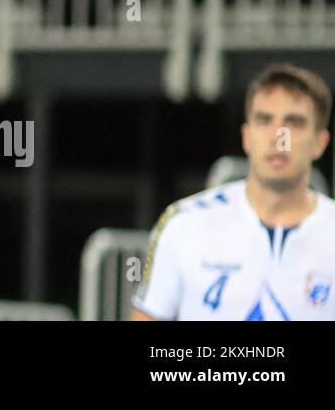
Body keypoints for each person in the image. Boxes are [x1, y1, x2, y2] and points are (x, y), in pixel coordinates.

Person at [132, 63, 335, 321]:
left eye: (294, 123)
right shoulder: (182, 223)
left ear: (320, 142)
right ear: (246, 136)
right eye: (264, 120)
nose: (278, 137)